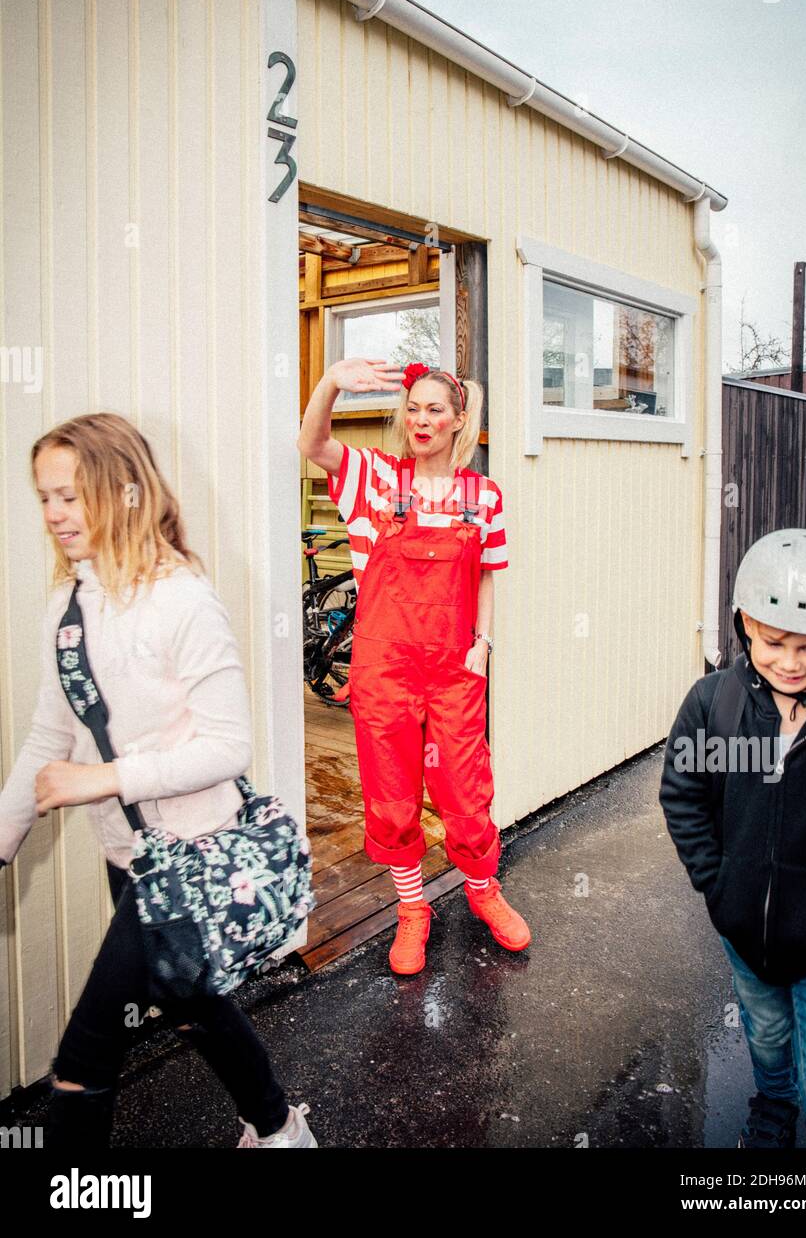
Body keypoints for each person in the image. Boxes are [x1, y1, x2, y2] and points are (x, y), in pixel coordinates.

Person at [0, 412, 316, 1149]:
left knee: (81, 1062)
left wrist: (102, 778)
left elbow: (228, 746)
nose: (53, 514)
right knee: (193, 1003)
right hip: (129, 860)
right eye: (44, 497)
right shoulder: (69, 607)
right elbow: (51, 734)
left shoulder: (181, 600)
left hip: (189, 858)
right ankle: (279, 1129)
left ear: (125, 492)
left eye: (71, 496)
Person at [298, 357, 530, 974]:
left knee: (463, 788)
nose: (422, 419)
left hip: (454, 665)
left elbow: (485, 573)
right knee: (393, 793)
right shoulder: (374, 479)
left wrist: (483, 641)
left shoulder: (484, 496)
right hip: (384, 667)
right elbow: (312, 443)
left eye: (436, 410)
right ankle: (412, 909)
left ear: (458, 422)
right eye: (414, 408)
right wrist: (331, 383)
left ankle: (483, 891)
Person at [659, 528, 806, 1149]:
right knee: (767, 1036)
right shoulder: (713, 703)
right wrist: (720, 888)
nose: (790, 661)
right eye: (774, 641)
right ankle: (774, 1106)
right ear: (744, 623)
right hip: (746, 932)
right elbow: (683, 795)